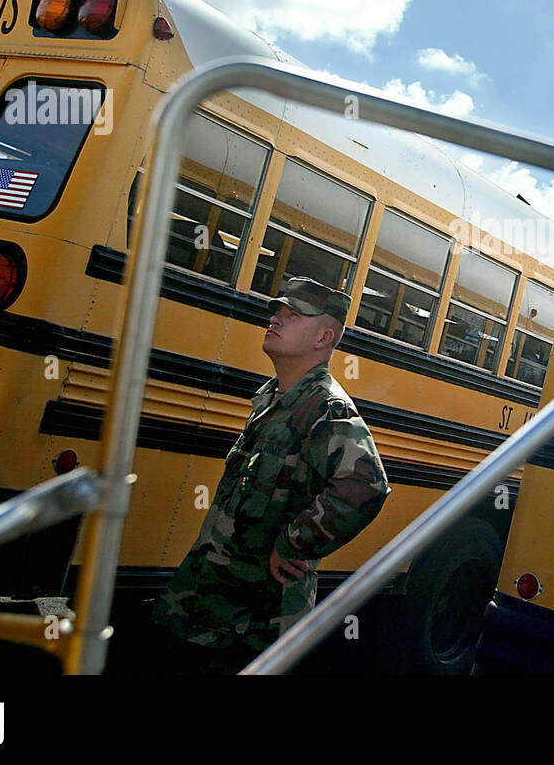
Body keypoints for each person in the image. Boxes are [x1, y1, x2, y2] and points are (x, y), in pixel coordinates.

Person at [150, 277, 391, 673]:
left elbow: (366, 485)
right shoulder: (274, 398)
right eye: (277, 312)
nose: (276, 320)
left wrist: (296, 542)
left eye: (292, 315)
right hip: (209, 601)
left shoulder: (326, 408)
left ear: (323, 338)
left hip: (253, 620)